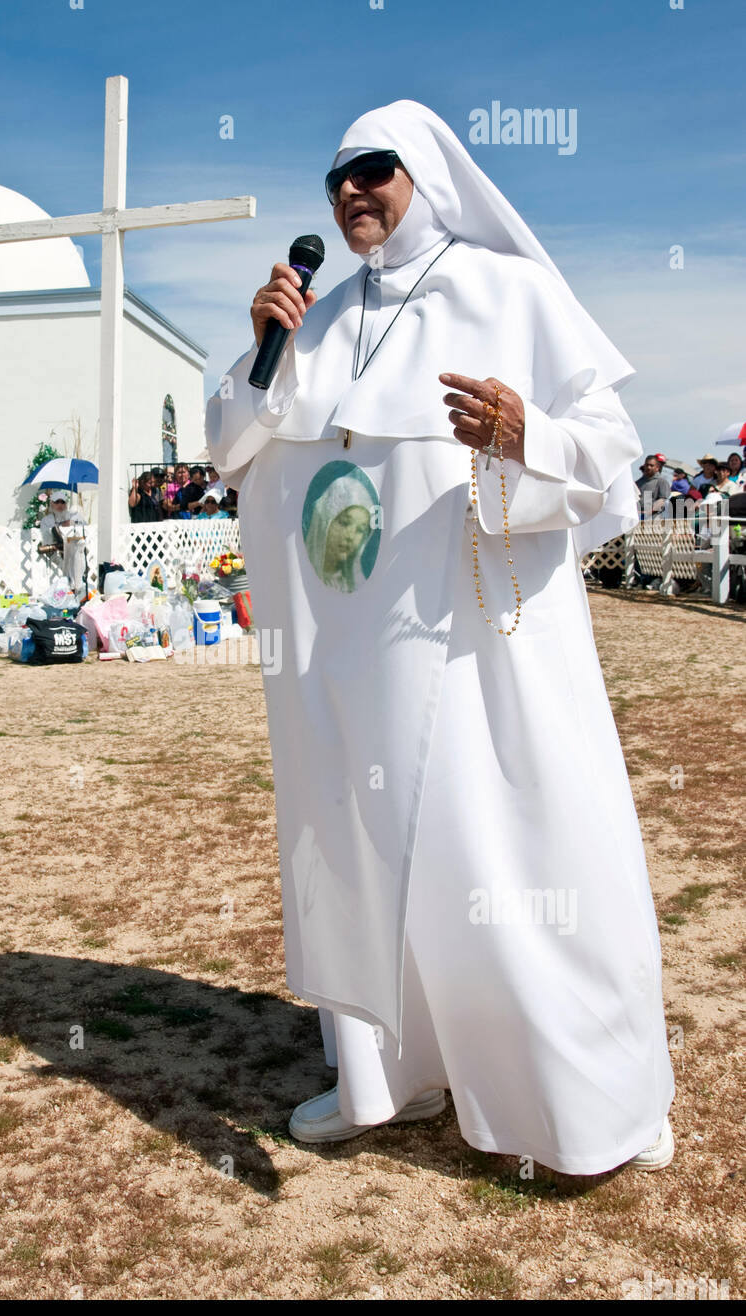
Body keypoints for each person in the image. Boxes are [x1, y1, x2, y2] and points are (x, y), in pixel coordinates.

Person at [206, 99, 675, 1176]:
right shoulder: (314, 326)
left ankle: (599, 1095)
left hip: (480, 652)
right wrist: (264, 350)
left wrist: (525, 435)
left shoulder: (509, 290)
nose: (349, 193)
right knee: (372, 861)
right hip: (358, 661)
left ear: (425, 174)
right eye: (335, 179)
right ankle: (390, 1075)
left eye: (373, 170)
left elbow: (613, 459)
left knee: (524, 852)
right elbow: (235, 449)